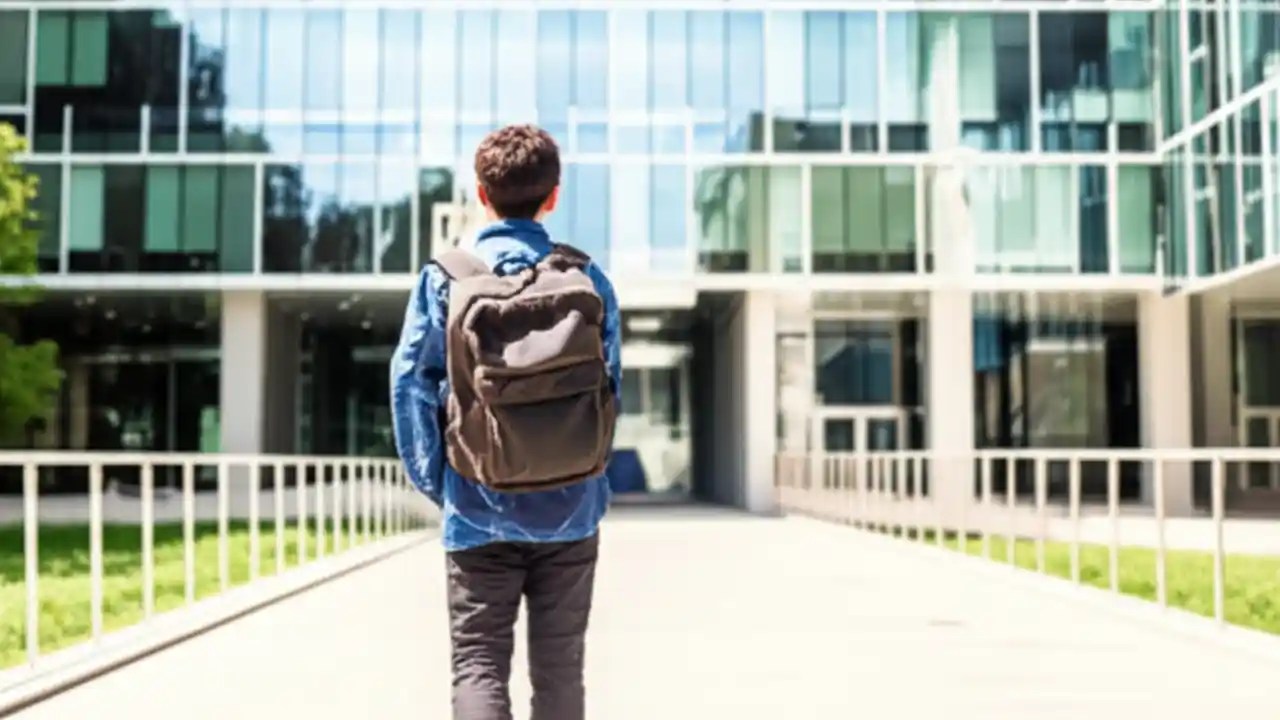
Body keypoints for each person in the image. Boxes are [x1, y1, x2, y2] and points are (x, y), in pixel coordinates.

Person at [390, 124, 621, 720]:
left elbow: (410, 382)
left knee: (478, 664)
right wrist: (586, 473)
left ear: (481, 194)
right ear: (554, 195)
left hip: (476, 506)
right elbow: (609, 385)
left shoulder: (445, 277)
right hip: (571, 509)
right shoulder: (586, 278)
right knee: (561, 669)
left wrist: (439, 481)